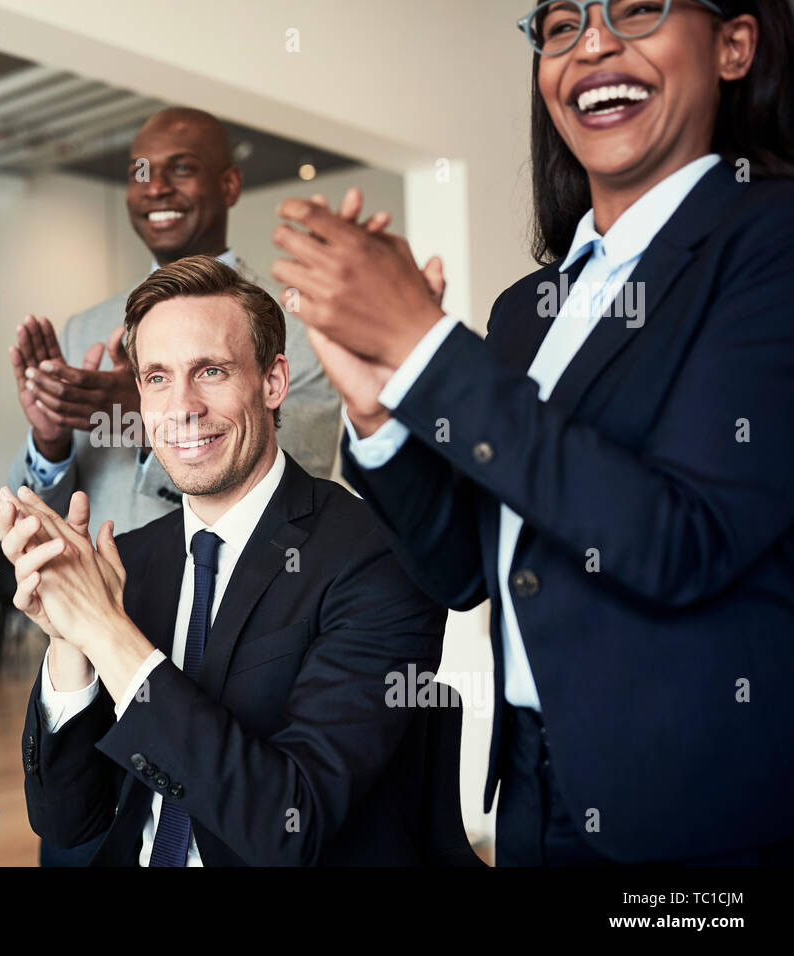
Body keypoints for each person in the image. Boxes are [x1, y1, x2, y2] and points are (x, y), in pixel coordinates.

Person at [272, 0, 794, 864]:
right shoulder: (526, 311)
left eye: (637, 10)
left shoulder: (770, 239)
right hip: (533, 793)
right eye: (559, 26)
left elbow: (682, 540)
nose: (592, 44)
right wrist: (377, 405)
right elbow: (465, 574)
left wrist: (425, 346)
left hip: (701, 819)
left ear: (734, 46)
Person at [0, 256, 469, 865]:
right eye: (158, 378)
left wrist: (106, 630)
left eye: (211, 371)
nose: (183, 406)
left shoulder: (377, 555)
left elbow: (289, 828)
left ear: (273, 381)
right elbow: (66, 820)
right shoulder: (128, 561)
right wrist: (68, 639)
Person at [7, 107, 341, 539]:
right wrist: (50, 441)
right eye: (140, 172)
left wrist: (144, 417)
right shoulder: (82, 330)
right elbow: (30, 520)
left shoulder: (299, 332)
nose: (157, 187)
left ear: (229, 185)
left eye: (181, 168)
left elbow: (298, 491)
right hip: (91, 596)